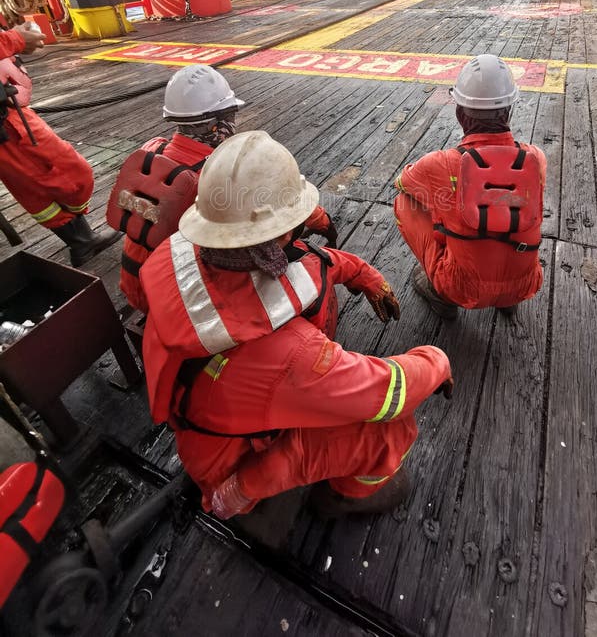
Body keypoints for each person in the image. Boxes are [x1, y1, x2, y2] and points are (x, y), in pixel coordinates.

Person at [140, 131, 452, 519]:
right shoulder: (293, 352)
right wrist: (436, 360)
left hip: (205, 433)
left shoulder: (187, 258)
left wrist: (364, 274)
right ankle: (345, 496)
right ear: (285, 230)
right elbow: (391, 391)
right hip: (235, 472)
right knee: (390, 430)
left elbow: (311, 262)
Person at [109, 64, 337, 313]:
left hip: (137, 285)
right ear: (219, 123)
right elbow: (287, 201)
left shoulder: (152, 150)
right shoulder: (220, 176)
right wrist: (324, 224)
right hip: (177, 302)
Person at [394, 54, 546, 319]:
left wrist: (442, 203)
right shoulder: (536, 160)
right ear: (510, 110)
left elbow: (402, 183)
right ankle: (507, 297)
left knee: (404, 201)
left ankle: (439, 293)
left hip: (461, 289)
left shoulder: (439, 164)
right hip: (525, 284)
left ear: (459, 113)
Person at [0, 22, 118, 266]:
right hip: (8, 127)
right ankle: (81, 241)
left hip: (9, 112)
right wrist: (14, 40)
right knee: (68, 171)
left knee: (34, 186)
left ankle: (82, 241)